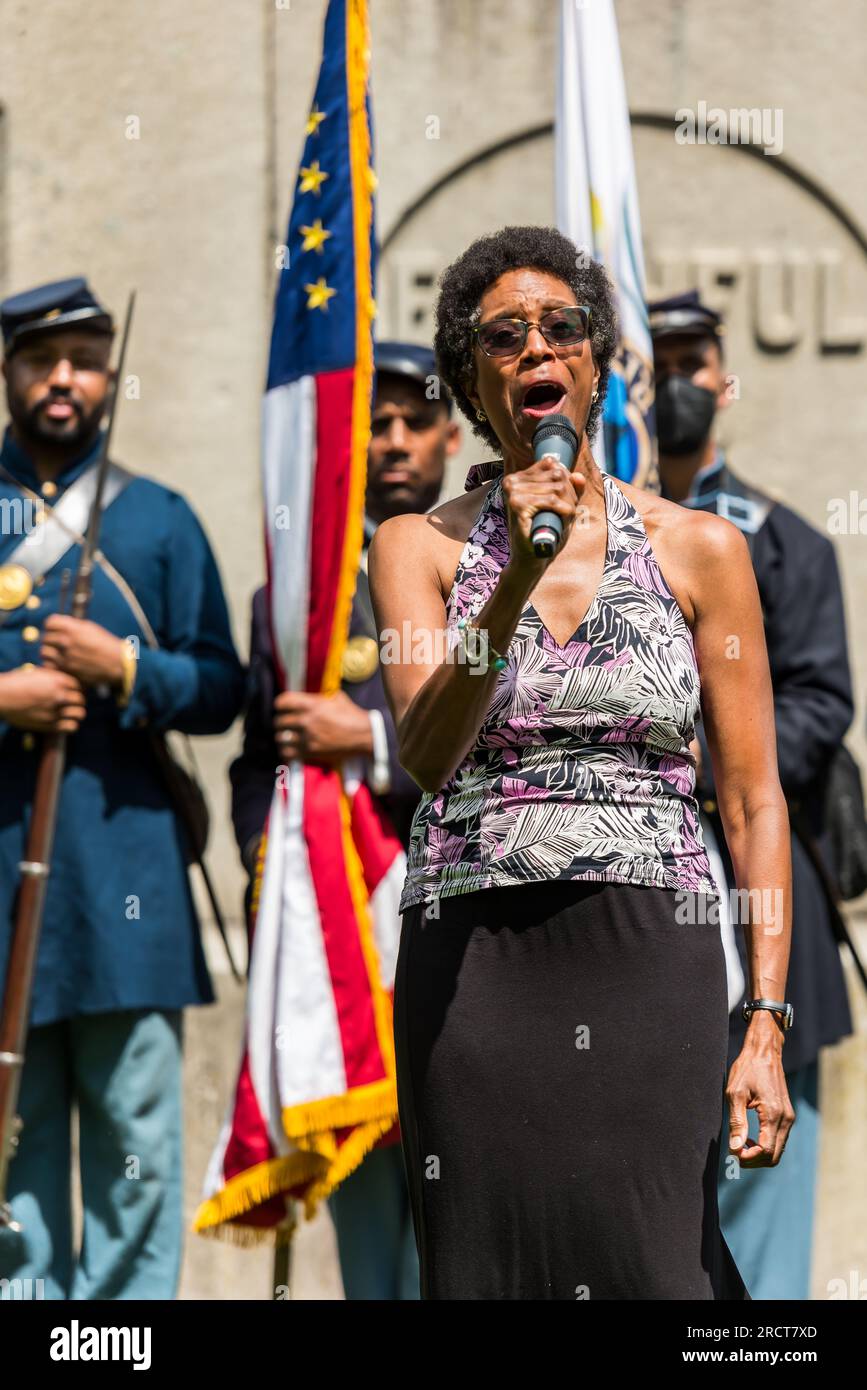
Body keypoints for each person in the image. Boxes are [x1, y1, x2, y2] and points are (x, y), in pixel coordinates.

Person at [368, 225, 796, 1301]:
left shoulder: (703, 548)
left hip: (652, 948)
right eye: (502, 336)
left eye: (562, 328)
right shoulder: (415, 547)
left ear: (599, 363)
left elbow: (750, 799)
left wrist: (767, 1021)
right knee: (487, 1270)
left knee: (657, 1269)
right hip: (473, 964)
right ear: (472, 379)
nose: (535, 350)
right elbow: (424, 749)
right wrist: (510, 576)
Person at [0, 277, 244, 1299]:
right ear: (8, 372)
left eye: (87, 360)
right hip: (3, 883)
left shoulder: (160, 517)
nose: (65, 380)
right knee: (13, 1162)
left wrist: (130, 671)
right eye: (42, 360)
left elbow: (225, 685)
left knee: (134, 1149)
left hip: (124, 887)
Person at [230, 340, 460, 1300]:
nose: (395, 442)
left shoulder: (481, 579)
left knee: (470, 1218)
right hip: (345, 956)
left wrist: (364, 736)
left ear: (451, 433)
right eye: (376, 423)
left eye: (415, 422)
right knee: (370, 1238)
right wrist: (271, 867)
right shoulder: (293, 602)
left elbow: (493, 747)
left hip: (460, 924)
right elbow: (258, 763)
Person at [649, 290, 855, 1300]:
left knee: (763, 1250)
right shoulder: (611, 541)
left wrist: (723, 747)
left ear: (721, 382)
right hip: (641, 922)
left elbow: (824, 703)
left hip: (764, 913)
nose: (678, 384)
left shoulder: (784, 545)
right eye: (659, 361)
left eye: (696, 362)